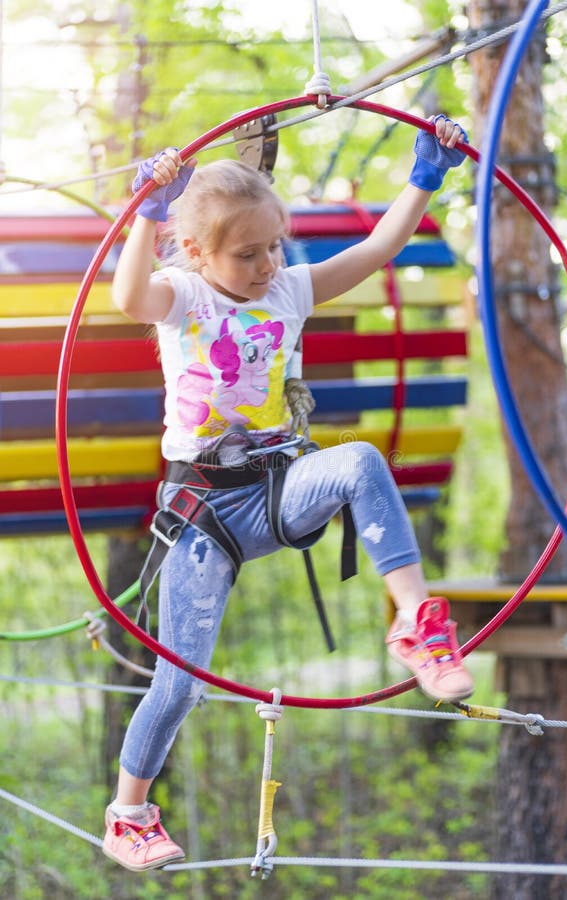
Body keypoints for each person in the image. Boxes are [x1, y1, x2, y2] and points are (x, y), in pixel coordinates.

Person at [103, 114, 473, 872]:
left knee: (361, 459)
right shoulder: (184, 297)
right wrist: (146, 212)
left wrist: (423, 180)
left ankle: (416, 624)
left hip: (276, 487)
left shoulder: (288, 291)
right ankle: (129, 813)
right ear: (198, 252)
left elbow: (375, 251)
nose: (267, 264)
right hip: (204, 510)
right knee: (180, 685)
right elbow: (127, 296)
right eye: (247, 253)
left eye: (274, 245)